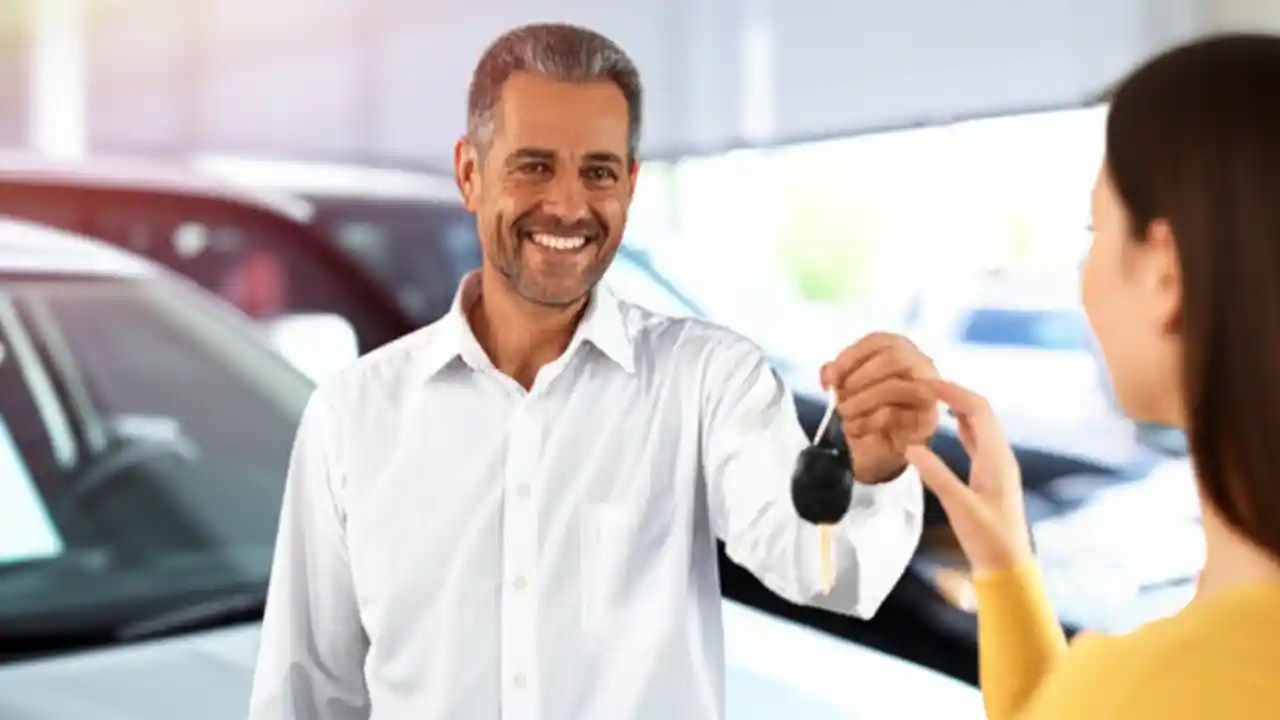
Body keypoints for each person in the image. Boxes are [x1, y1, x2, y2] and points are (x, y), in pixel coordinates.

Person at [247, 22, 938, 720]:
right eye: (534, 165)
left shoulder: (706, 381)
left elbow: (826, 574)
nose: (570, 205)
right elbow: (305, 693)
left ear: (631, 185)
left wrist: (874, 473)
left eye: (598, 172)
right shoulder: (353, 415)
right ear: (470, 174)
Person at [904, 33, 1280, 720]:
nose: (1085, 275)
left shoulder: (1152, 688)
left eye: (1095, 231)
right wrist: (1003, 557)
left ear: (1168, 275)